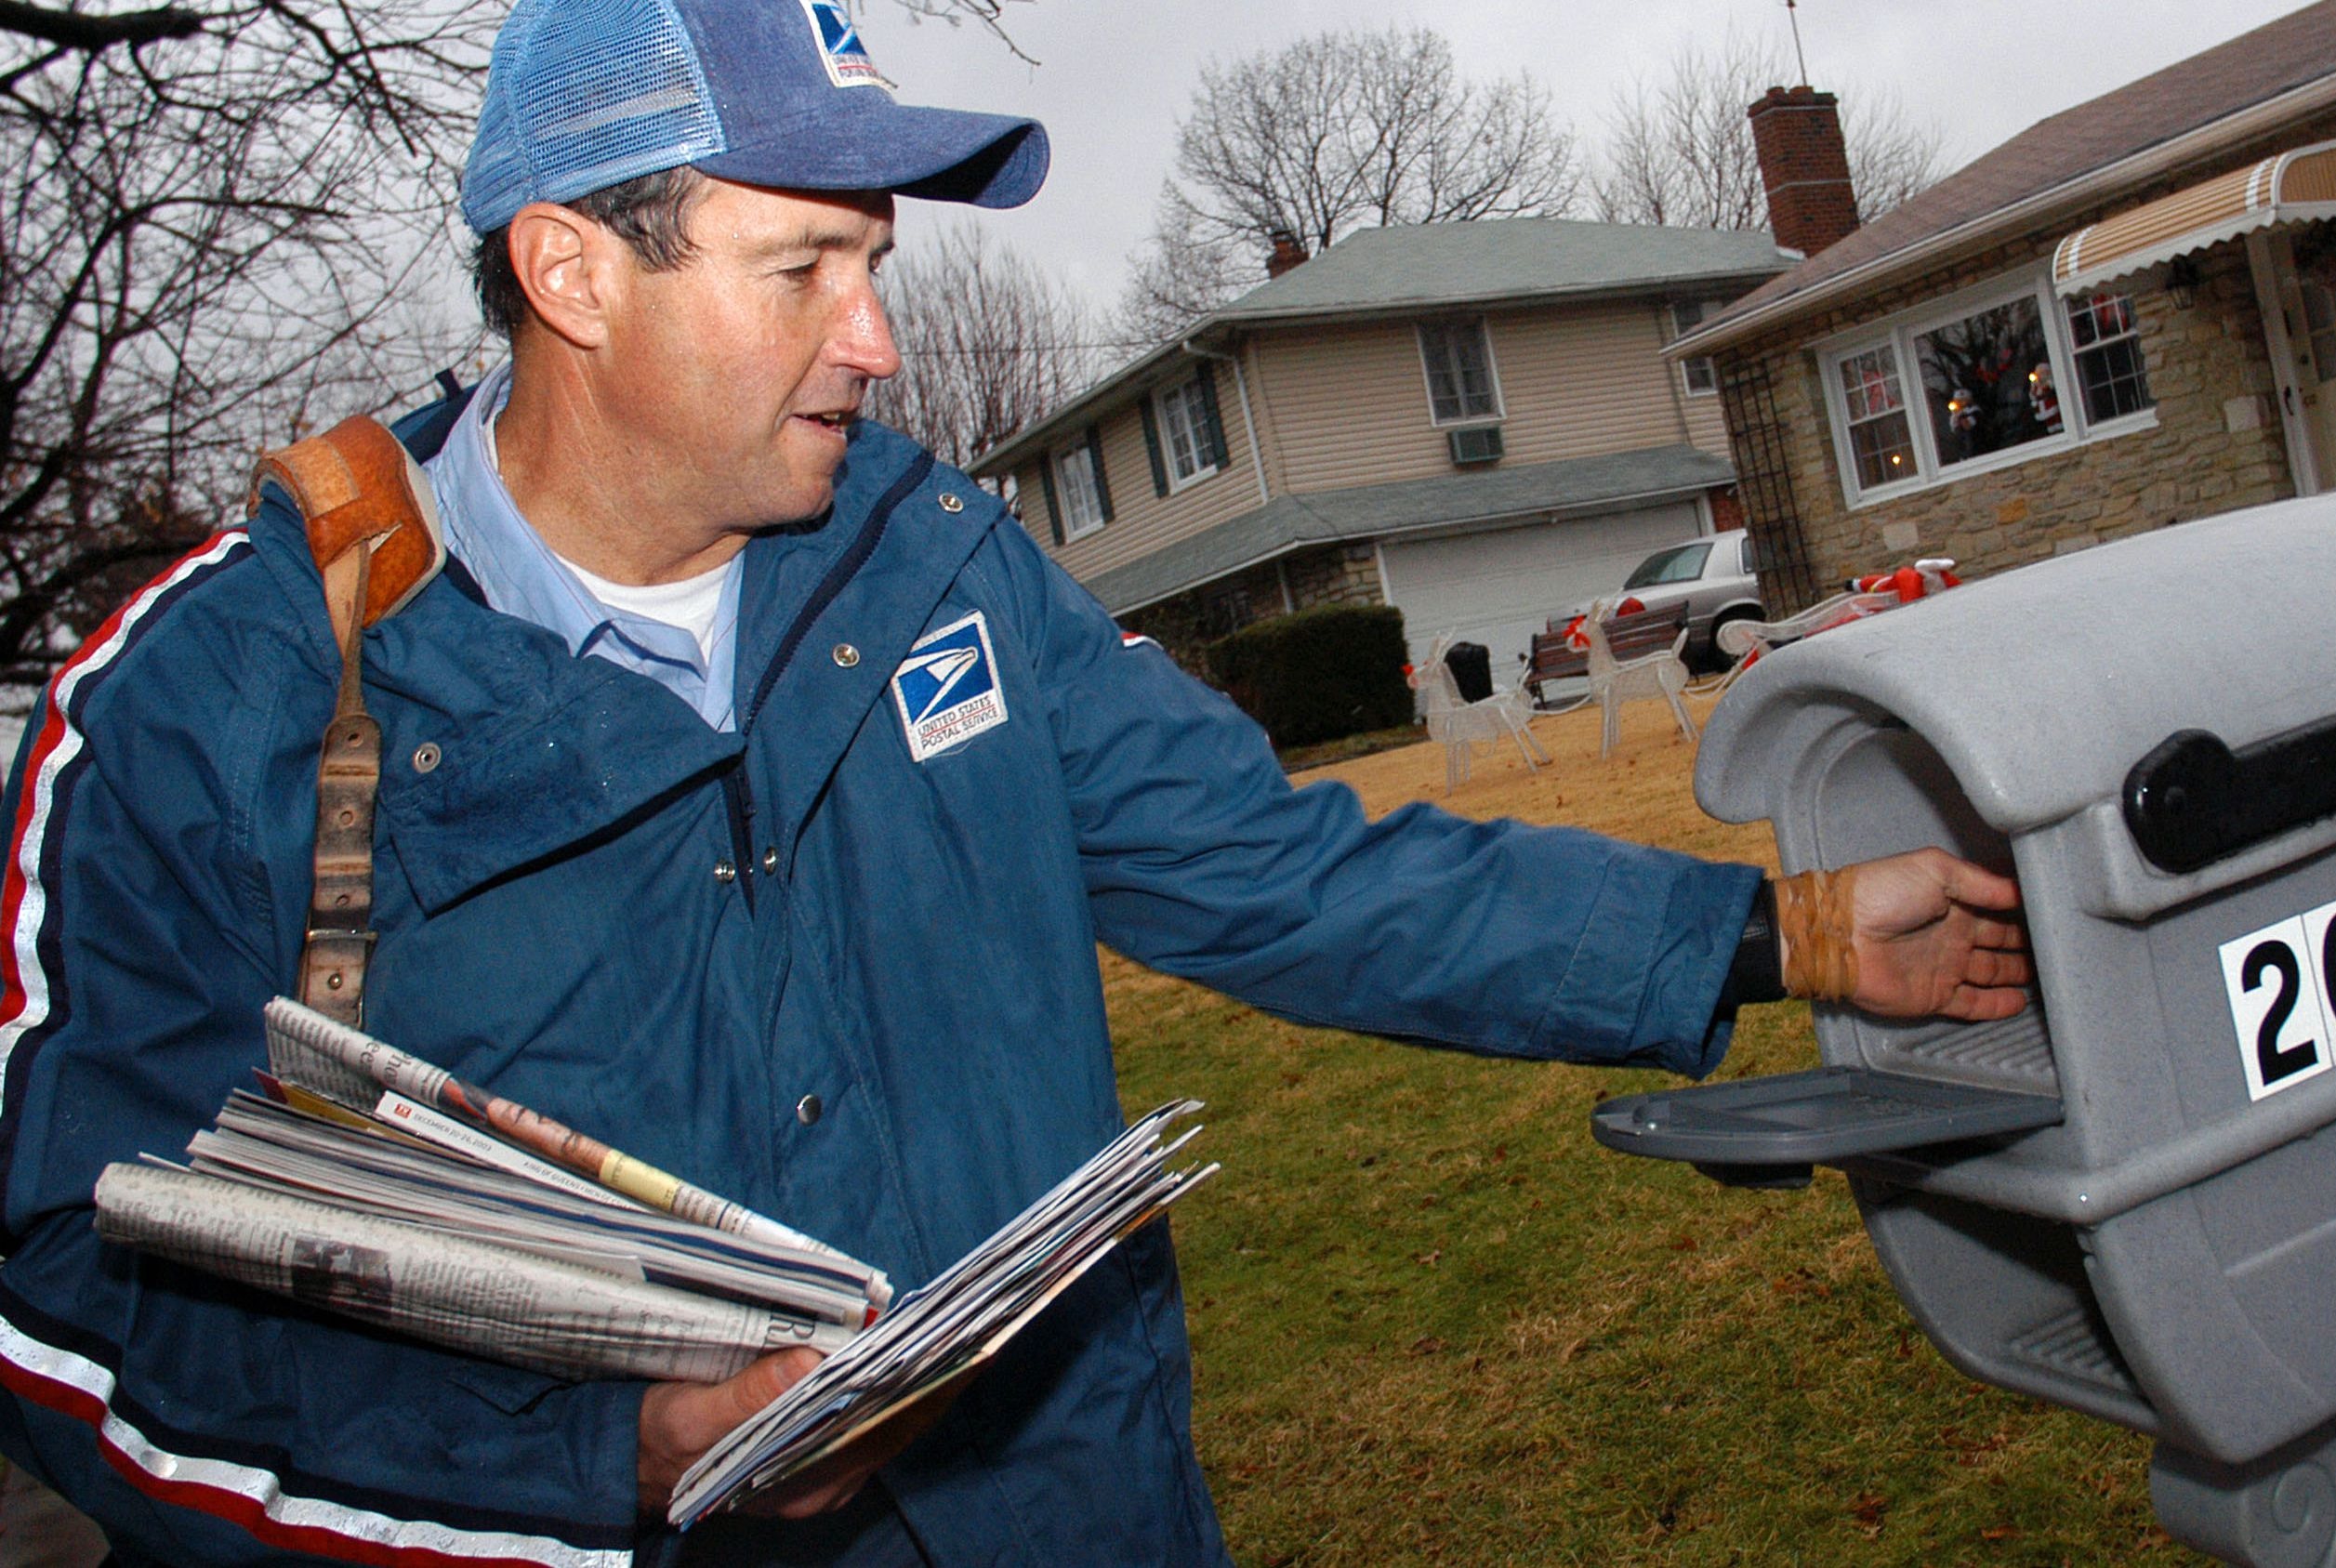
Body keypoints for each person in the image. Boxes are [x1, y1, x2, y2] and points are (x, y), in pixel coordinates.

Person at [0, 2, 2029, 1563]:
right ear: (572, 272)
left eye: (871, 259)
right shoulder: (213, 711)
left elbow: (1289, 875)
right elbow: (69, 1293)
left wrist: (1799, 928)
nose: (879, 338)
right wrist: (594, 1457)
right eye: (801, 267)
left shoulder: (933, 565)